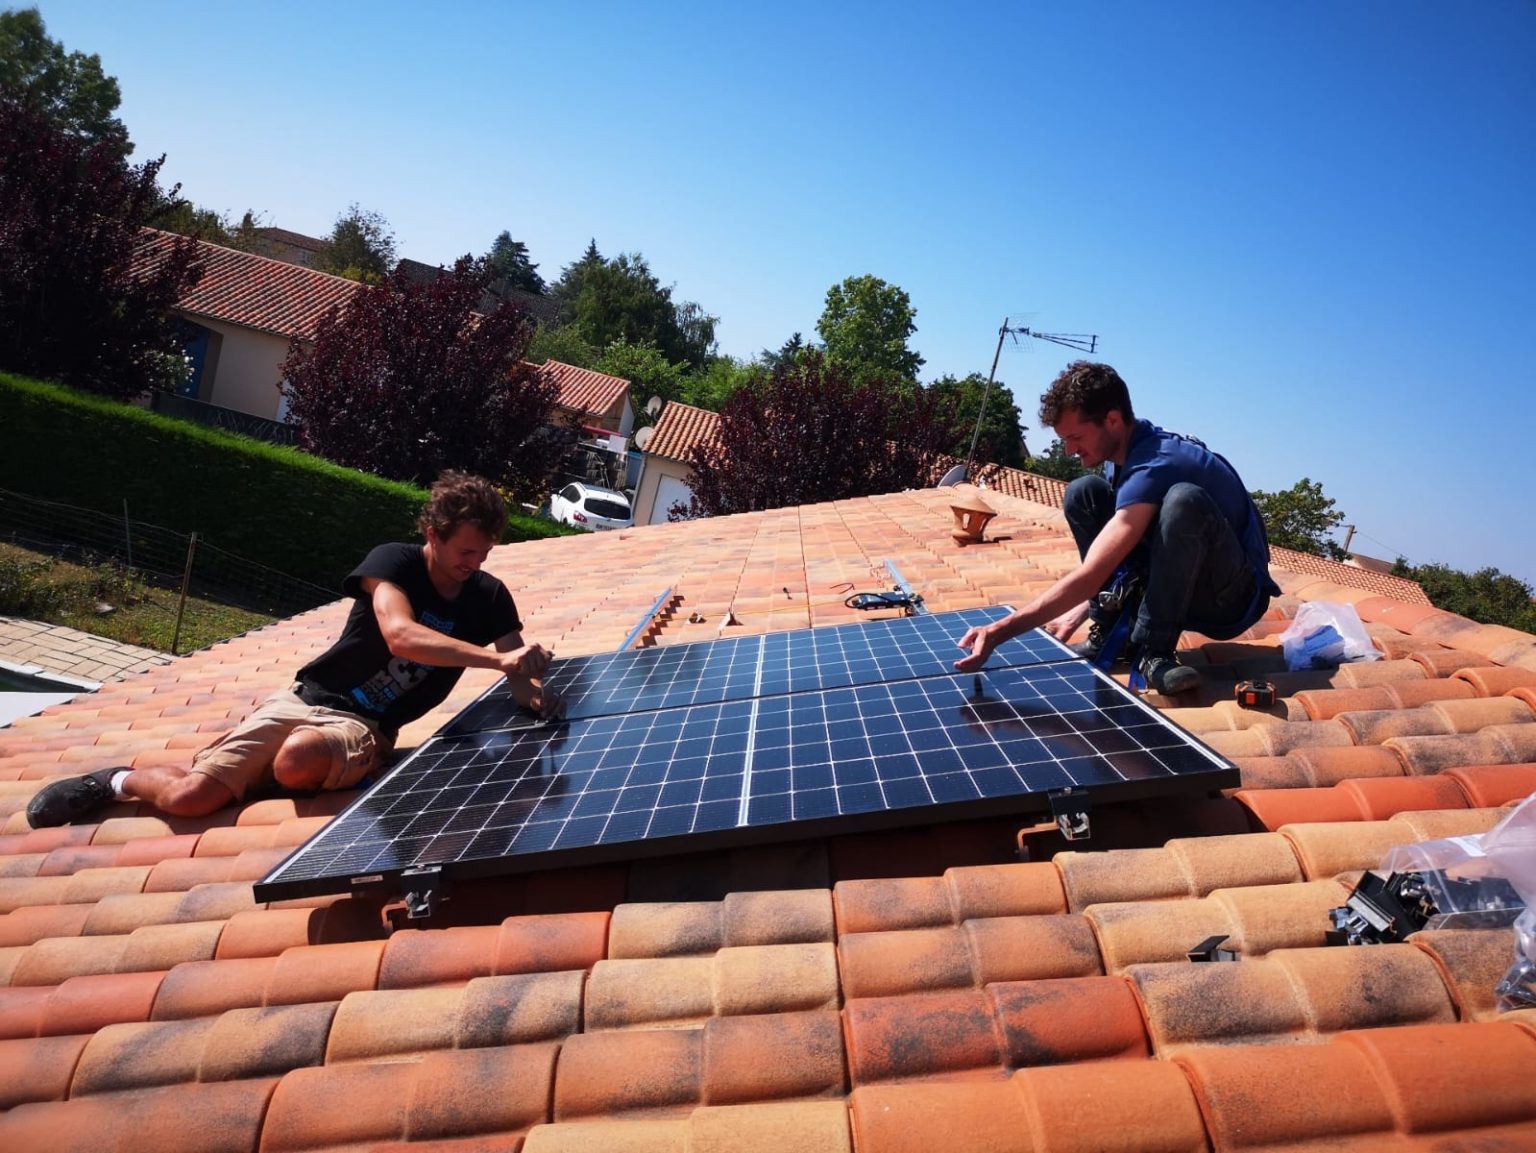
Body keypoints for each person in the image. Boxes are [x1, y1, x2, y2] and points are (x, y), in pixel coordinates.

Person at [27, 471, 563, 828]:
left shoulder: (489, 595)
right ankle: (110, 780)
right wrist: (495, 660)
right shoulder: (393, 563)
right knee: (191, 799)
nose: (476, 561)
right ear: (433, 534)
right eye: (467, 550)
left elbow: (519, 677)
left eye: (486, 550)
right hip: (306, 699)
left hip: (364, 727)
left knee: (298, 758)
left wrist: (537, 693)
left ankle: (264, 776)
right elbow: (400, 634)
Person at [956, 361, 1279, 694]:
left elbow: (1093, 574)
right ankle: (1114, 634)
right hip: (1186, 580)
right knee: (1085, 493)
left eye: (1075, 437)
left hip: (1232, 600)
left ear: (1112, 420)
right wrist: (1083, 611)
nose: (1069, 449)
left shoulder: (1155, 462)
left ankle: (1155, 652)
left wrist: (998, 632)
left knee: (1184, 501)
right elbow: (1116, 555)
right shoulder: (1122, 453)